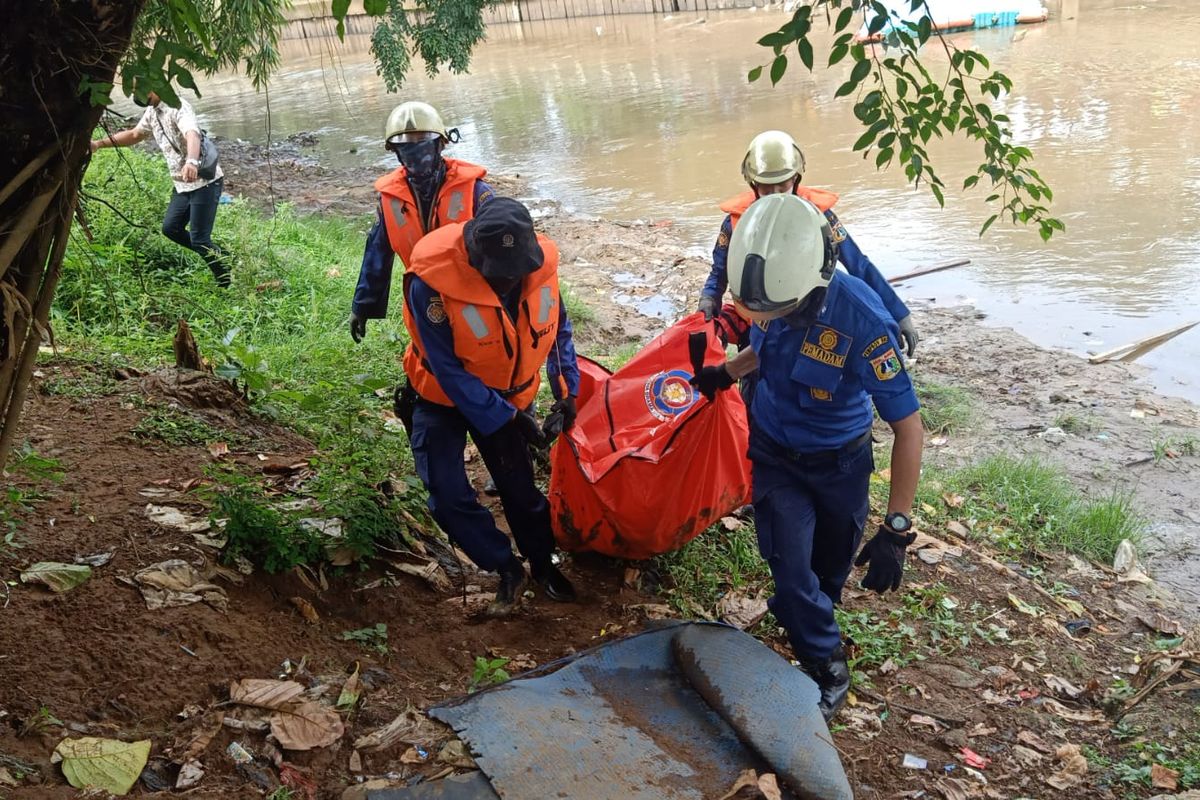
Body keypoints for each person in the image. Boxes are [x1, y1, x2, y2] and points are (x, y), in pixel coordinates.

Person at [691, 194, 924, 721]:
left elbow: (909, 430)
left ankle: (805, 612)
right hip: (776, 455)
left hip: (841, 464)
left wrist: (897, 527)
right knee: (792, 571)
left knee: (826, 572)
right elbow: (763, 348)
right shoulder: (769, 286)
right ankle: (827, 661)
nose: (768, 317)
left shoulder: (863, 321)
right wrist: (724, 374)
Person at [400, 197, 579, 617]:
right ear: (474, 255)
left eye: (515, 272)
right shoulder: (431, 280)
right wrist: (509, 419)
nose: (507, 281)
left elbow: (558, 332)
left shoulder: (539, 271)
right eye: (499, 274)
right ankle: (504, 566)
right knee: (445, 493)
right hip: (440, 397)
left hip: (509, 391)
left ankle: (541, 563)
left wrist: (567, 394)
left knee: (520, 489)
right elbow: (446, 367)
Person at [697, 130, 919, 357]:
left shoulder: (820, 218)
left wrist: (899, 313)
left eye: (782, 186)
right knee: (758, 388)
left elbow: (858, 265)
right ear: (753, 184)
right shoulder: (737, 223)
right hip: (760, 329)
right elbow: (720, 272)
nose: (776, 195)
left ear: (796, 179)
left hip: (811, 324)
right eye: (766, 189)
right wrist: (708, 300)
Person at [349, 101, 494, 342]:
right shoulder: (391, 200)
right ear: (396, 152)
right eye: (406, 146)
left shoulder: (475, 190)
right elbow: (378, 252)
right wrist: (362, 306)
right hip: (421, 301)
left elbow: (503, 246)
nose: (415, 153)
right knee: (426, 362)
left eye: (422, 143)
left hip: (473, 298)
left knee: (479, 354)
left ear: (440, 144)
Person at [90, 92, 229, 286]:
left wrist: (191, 161)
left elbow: (192, 133)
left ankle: (225, 281)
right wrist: (98, 144)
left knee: (199, 239)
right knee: (171, 228)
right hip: (182, 184)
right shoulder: (152, 112)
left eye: (140, 88)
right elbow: (134, 134)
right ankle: (221, 254)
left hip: (204, 181)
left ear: (155, 85)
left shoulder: (177, 105)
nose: (135, 94)